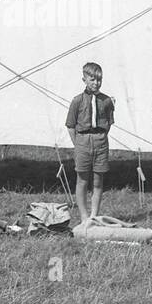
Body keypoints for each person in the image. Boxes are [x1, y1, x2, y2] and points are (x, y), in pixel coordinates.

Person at [66, 62, 115, 225]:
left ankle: (94, 216)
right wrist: (78, 144)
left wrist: (99, 137)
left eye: (99, 80)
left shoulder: (107, 101)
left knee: (98, 180)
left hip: (100, 141)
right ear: (84, 79)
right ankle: (83, 216)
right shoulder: (77, 101)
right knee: (82, 180)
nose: (96, 83)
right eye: (92, 79)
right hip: (83, 141)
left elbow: (108, 123)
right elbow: (71, 125)